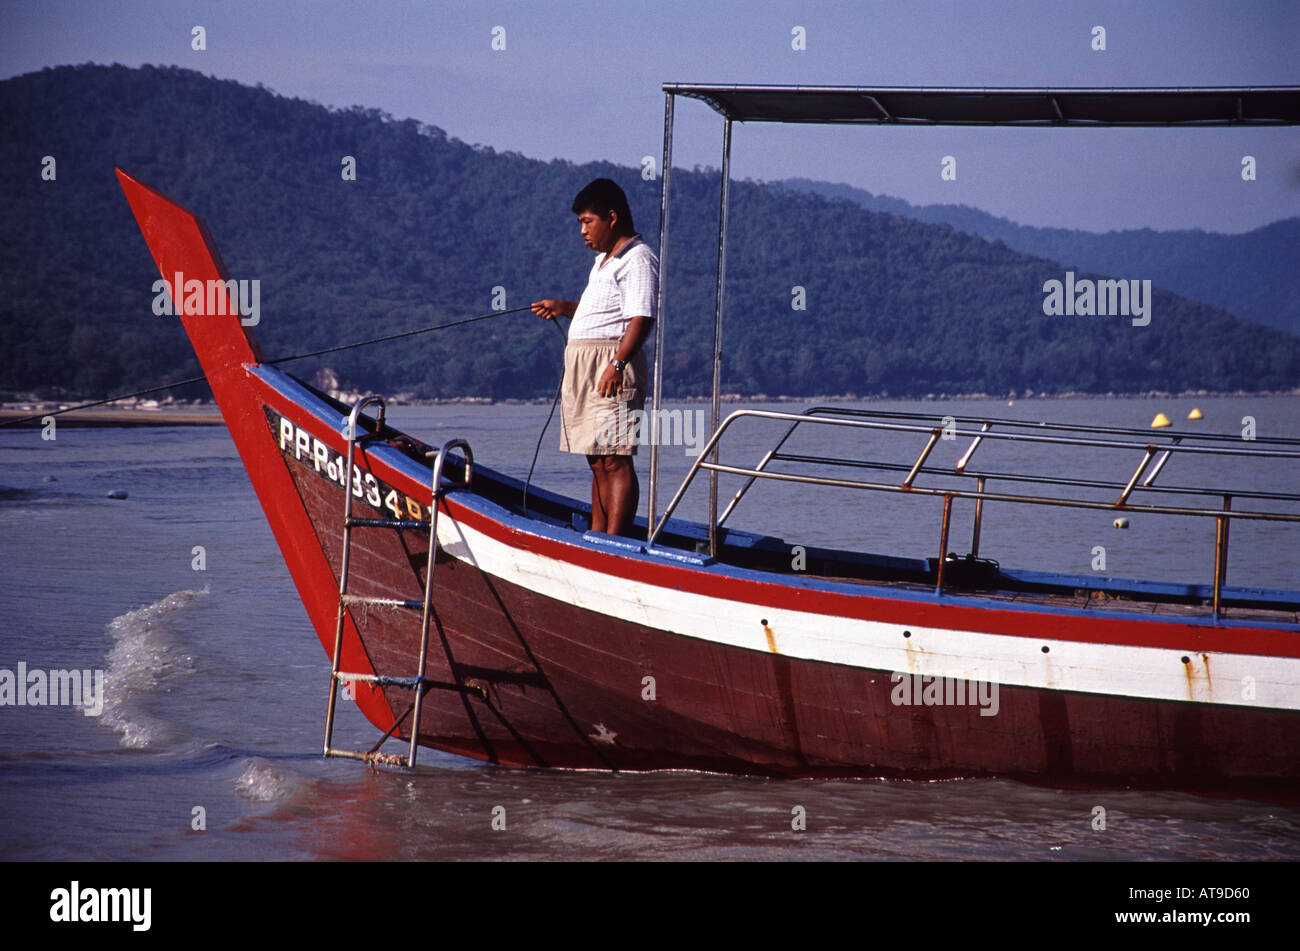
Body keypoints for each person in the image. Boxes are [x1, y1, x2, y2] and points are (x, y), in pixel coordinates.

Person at [531, 178, 657, 537]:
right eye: (580, 224)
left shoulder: (637, 259)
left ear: (611, 217)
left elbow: (641, 317)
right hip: (586, 363)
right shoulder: (603, 261)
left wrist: (617, 364)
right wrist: (563, 307)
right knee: (597, 457)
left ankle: (615, 541)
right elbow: (599, 310)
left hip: (612, 363)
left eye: (588, 222)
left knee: (615, 457)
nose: (583, 231)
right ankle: (598, 534)